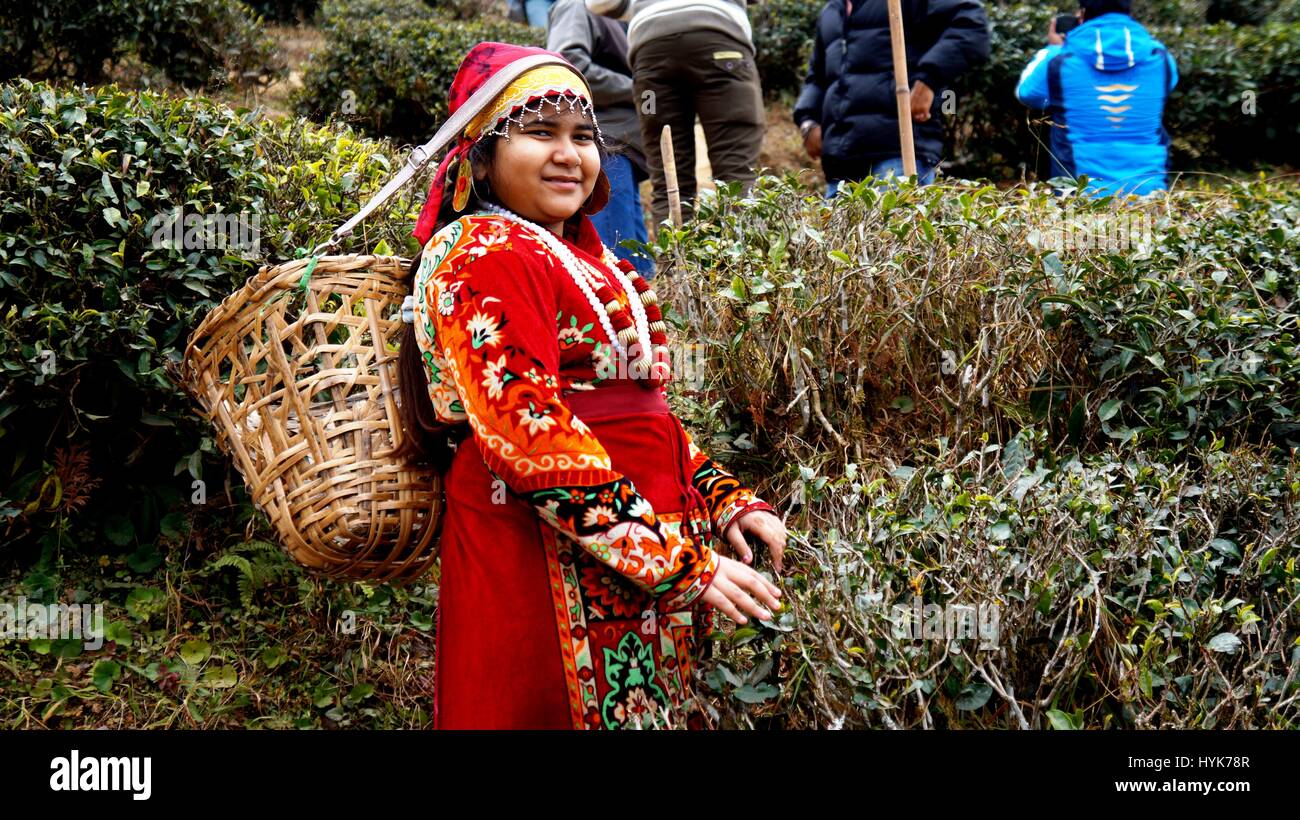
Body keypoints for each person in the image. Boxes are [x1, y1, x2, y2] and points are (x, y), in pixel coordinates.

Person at [394, 42, 788, 730]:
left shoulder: (583, 255)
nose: (568, 154)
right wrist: (675, 563)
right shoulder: (483, 255)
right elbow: (527, 430)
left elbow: (642, 416)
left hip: (638, 557)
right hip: (532, 554)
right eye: (539, 132)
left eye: (583, 137)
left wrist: (722, 501)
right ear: (480, 154)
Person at [586, 0, 766, 225]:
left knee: (668, 182)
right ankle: (744, 259)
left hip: (651, 58)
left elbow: (599, 4)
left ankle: (674, 258)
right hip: (720, 43)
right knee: (736, 173)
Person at [795, 0, 990, 198]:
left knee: (893, 227)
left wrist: (929, 81)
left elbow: (971, 26)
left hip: (898, 155)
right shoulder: (833, 10)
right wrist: (807, 121)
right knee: (837, 229)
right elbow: (817, 77)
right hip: (841, 165)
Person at [1015, 0, 1179, 196]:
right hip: (1150, 194)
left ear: (1082, 15)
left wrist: (1052, 49)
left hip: (1081, 198)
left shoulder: (1058, 59)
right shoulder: (1160, 57)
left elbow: (1028, 94)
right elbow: (1163, 90)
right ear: (1129, 12)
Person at [546, 0, 656, 277]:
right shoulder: (576, 6)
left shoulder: (624, 18)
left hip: (626, 146)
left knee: (634, 263)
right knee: (614, 261)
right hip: (604, 142)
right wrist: (637, 89)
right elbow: (570, 66)